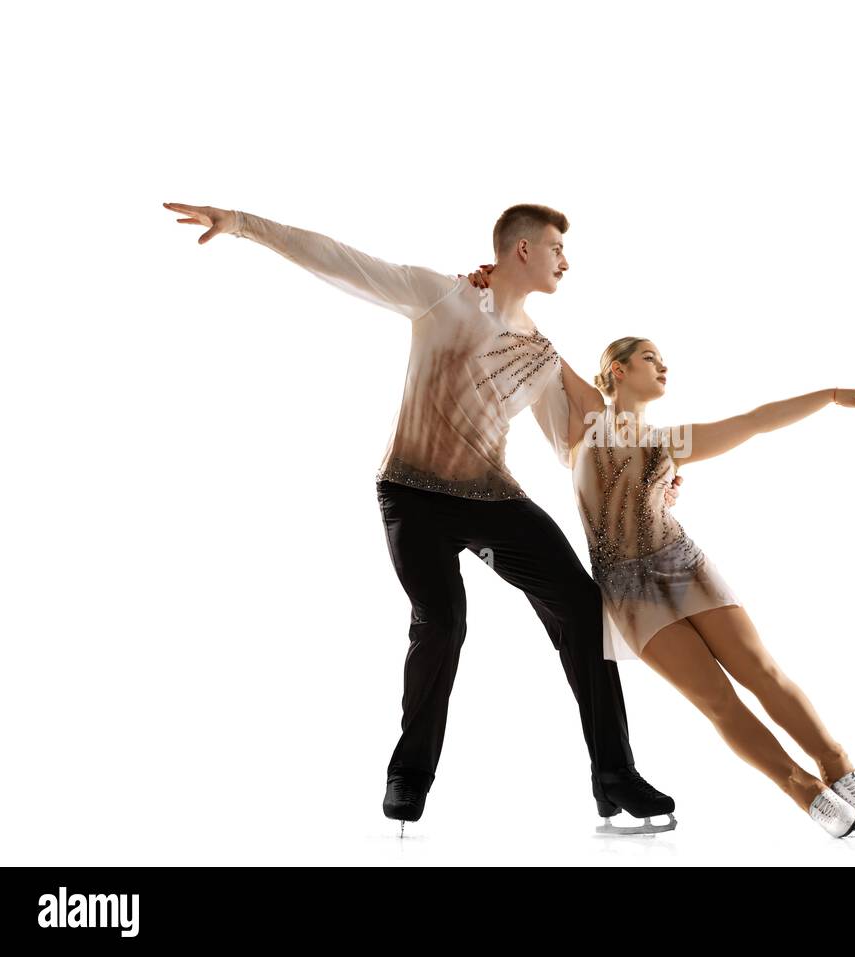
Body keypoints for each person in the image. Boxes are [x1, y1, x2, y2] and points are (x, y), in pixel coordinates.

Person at [162, 202, 677, 835]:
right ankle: (409, 777)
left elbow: (572, 444)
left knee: (580, 604)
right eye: (556, 248)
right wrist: (244, 224)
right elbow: (341, 261)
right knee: (442, 623)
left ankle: (614, 774)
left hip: (491, 496)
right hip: (411, 494)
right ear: (522, 251)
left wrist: (645, 476)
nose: (565, 260)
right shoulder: (442, 297)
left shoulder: (538, 353)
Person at [463, 276, 855, 838]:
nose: (663, 367)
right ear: (617, 369)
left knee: (761, 672)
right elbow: (533, 342)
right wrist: (487, 290)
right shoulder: (584, 423)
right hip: (627, 590)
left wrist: (831, 395)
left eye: (663, 360)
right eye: (650, 358)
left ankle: (838, 766)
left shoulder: (670, 443)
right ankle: (803, 790)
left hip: (683, 564)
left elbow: (755, 421)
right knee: (717, 700)